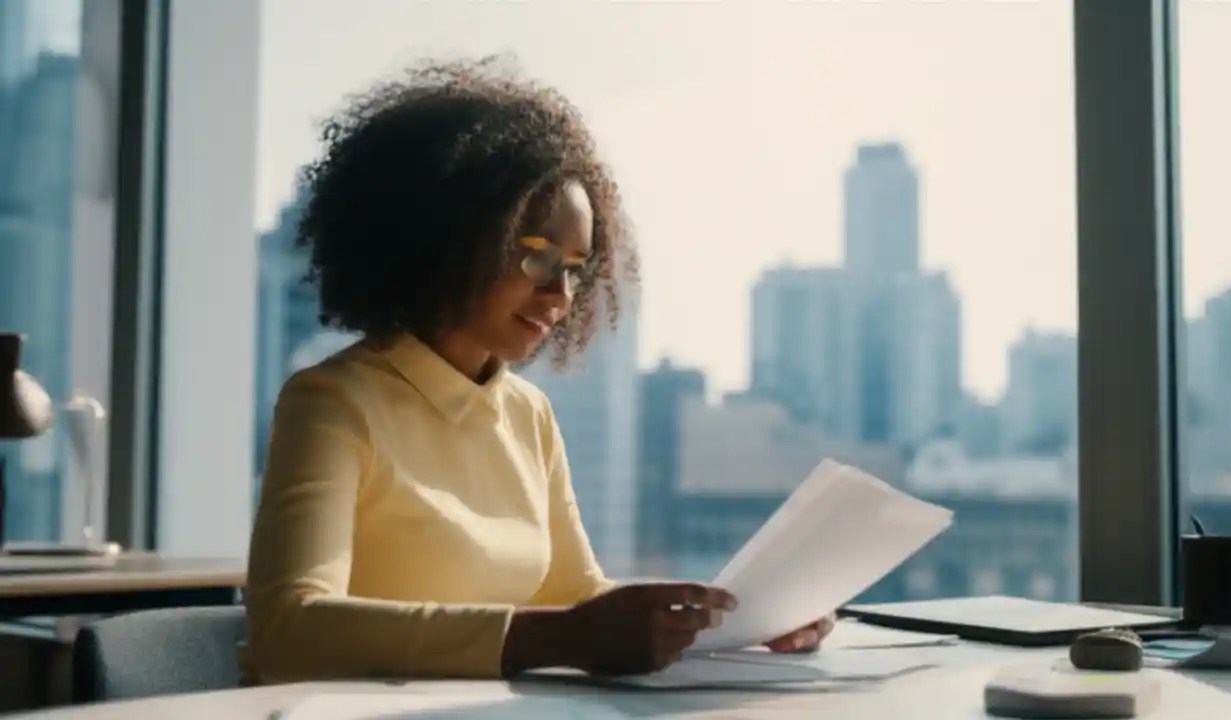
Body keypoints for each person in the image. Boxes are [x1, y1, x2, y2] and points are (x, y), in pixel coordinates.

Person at [243, 57, 835, 683]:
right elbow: (290, 628)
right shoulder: (333, 402)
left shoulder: (527, 414)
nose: (563, 294)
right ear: (445, 236)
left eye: (578, 268)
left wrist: (737, 621)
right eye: (538, 258)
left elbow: (582, 601)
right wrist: (555, 636)